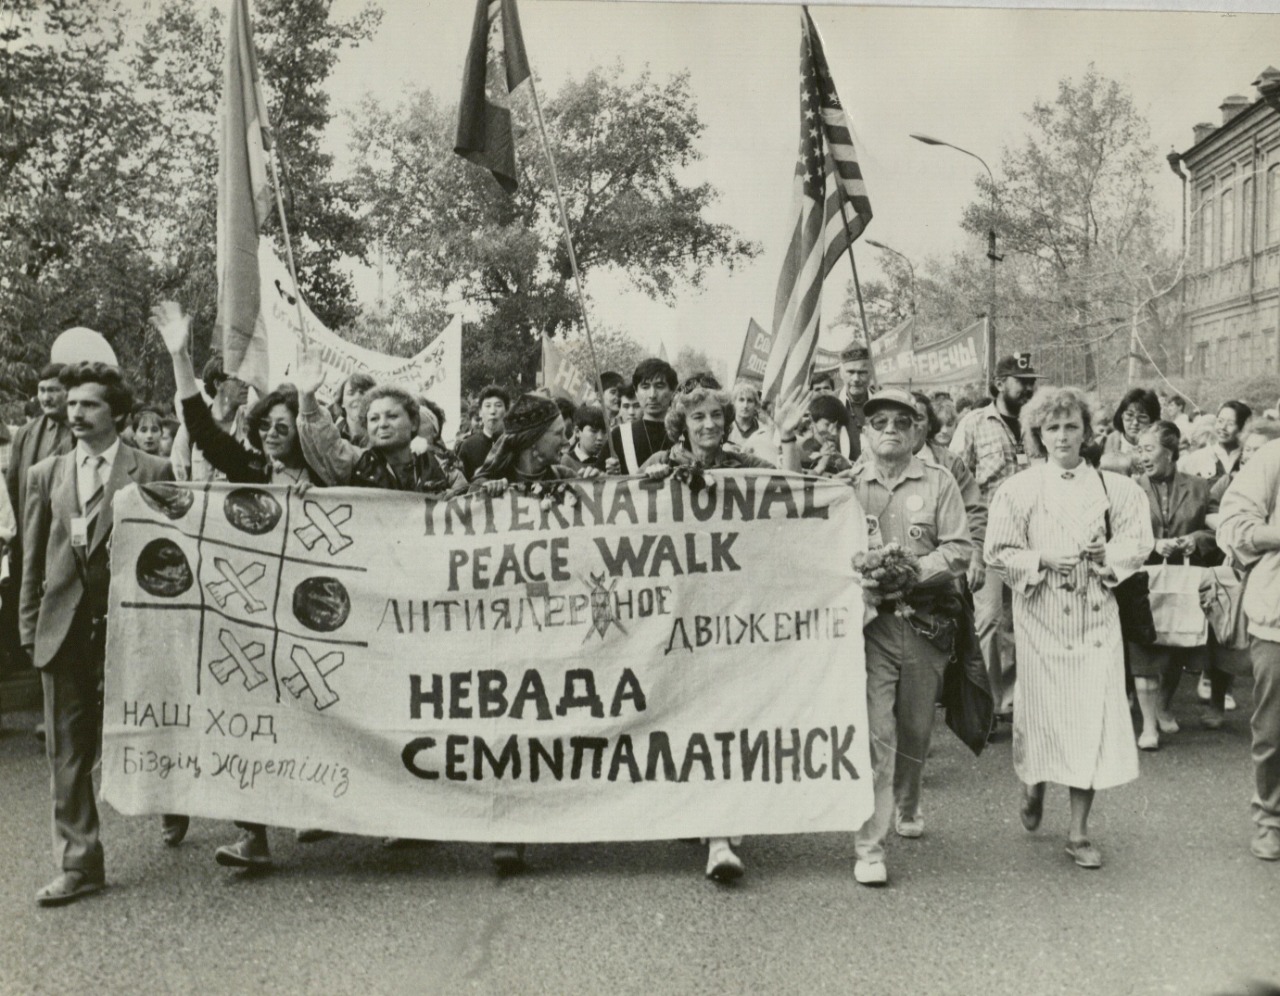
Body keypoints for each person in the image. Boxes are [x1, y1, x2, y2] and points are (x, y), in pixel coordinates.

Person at [154, 300, 322, 871]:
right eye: (266, 426)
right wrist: (180, 358)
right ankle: (254, 835)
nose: (274, 434)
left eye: (285, 427)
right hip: (260, 611)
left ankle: (329, 800)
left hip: (326, 617)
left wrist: (314, 398)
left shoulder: (333, 479)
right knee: (254, 714)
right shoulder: (251, 471)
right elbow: (201, 429)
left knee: (320, 712)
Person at [20, 362, 175, 906]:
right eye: (71, 405)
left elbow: (172, 558)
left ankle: (173, 803)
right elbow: (33, 559)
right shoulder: (47, 473)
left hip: (133, 628)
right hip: (63, 630)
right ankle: (80, 863)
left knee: (157, 730)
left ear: (118, 413)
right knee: (66, 751)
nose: (75, 413)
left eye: (88, 404)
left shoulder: (152, 470)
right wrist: (29, 628)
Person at [641, 378, 807, 882]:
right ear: (682, 424)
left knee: (727, 719)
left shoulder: (742, 467)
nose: (710, 425)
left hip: (734, 616)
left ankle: (720, 837)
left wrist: (793, 440)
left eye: (717, 416)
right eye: (699, 418)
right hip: (677, 617)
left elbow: (794, 489)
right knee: (688, 721)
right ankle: (701, 814)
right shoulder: (658, 468)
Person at [985, 386, 1152, 870]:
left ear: (1087, 431)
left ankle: (1079, 831)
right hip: (1041, 621)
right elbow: (998, 550)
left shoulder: (1113, 488)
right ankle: (1034, 783)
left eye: (1071, 426)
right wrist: (1040, 558)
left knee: (1092, 723)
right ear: (1038, 433)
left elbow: (1138, 541)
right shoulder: (1019, 489)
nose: (1062, 436)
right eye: (1053, 427)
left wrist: (1109, 557)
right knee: (1043, 718)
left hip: (1096, 619)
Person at [843, 389, 973, 887]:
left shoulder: (938, 484)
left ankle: (909, 799)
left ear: (918, 431)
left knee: (916, 730)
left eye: (902, 421)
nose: (890, 429)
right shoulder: (848, 487)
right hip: (872, 627)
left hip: (924, 624)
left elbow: (959, 548)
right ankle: (870, 846)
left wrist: (913, 571)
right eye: (879, 421)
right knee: (878, 736)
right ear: (865, 432)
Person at [950, 352, 1040, 721]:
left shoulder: (1040, 423)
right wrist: (967, 544)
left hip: (1032, 539)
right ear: (1000, 383)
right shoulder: (974, 423)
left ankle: (1016, 701)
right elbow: (955, 481)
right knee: (987, 621)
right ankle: (987, 702)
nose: (1030, 387)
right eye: (1022, 381)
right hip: (988, 539)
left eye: (1033, 381)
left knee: (1026, 620)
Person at [1128, 421, 1218, 749]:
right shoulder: (1131, 487)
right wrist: (1152, 544)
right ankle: (1148, 725)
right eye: (1139, 449)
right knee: (1144, 650)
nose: (1142, 456)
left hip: (1183, 581)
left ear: (1169, 452)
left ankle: (1164, 706)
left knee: (1176, 647)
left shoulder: (1199, 487)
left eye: (1148, 449)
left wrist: (1196, 539)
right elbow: (1118, 535)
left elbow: (1218, 531)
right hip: (1141, 581)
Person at [1217, 437, 1280, 861]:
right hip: (1277, 619)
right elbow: (1232, 525)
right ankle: (1270, 818)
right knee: (1275, 731)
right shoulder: (1274, 456)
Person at [293, 355, 466, 496]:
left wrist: (454, 496)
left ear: (413, 423)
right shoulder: (358, 463)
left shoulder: (438, 465)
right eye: (374, 419)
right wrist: (307, 399)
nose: (382, 424)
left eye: (392, 416)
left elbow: (470, 496)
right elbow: (327, 445)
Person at [609, 358, 677, 474]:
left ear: (672, 391)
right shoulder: (619, 435)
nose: (652, 395)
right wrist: (607, 474)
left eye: (659, 386)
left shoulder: (684, 432)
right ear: (636, 392)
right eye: (645, 387)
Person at [1183, 401, 1252, 482]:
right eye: (1220, 421)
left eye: (1230, 423)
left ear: (1242, 427)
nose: (1223, 427)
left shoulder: (1249, 459)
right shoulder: (1198, 457)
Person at [455, 385, 510, 480]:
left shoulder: (514, 445)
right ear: (480, 412)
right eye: (488, 406)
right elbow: (460, 485)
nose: (492, 411)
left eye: (498, 405)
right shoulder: (468, 446)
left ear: (506, 411)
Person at [799, 394, 852, 477]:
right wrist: (821, 465)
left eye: (838, 428)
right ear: (811, 423)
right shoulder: (797, 451)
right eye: (827, 425)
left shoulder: (839, 460)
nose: (834, 433)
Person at [726, 381, 778, 464]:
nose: (745, 405)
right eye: (741, 400)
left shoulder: (763, 430)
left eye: (750, 401)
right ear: (734, 403)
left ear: (756, 405)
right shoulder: (726, 428)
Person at [836, 343, 872, 460]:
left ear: (870, 373)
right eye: (850, 372)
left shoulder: (882, 403)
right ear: (841, 373)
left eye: (862, 372)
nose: (856, 379)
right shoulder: (830, 403)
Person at [1105, 387, 1160, 458]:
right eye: (1129, 415)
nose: (1135, 423)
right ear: (1122, 416)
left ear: (1152, 421)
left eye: (1142, 417)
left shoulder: (1159, 447)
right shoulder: (1105, 443)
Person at [330, 371, 377, 445]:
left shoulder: (382, 438)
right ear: (342, 401)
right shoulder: (329, 435)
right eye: (351, 393)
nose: (357, 397)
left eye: (363, 393)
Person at [561, 405, 609, 474]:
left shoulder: (608, 461)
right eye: (594, 431)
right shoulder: (566, 461)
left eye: (604, 432)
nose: (600, 437)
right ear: (577, 432)